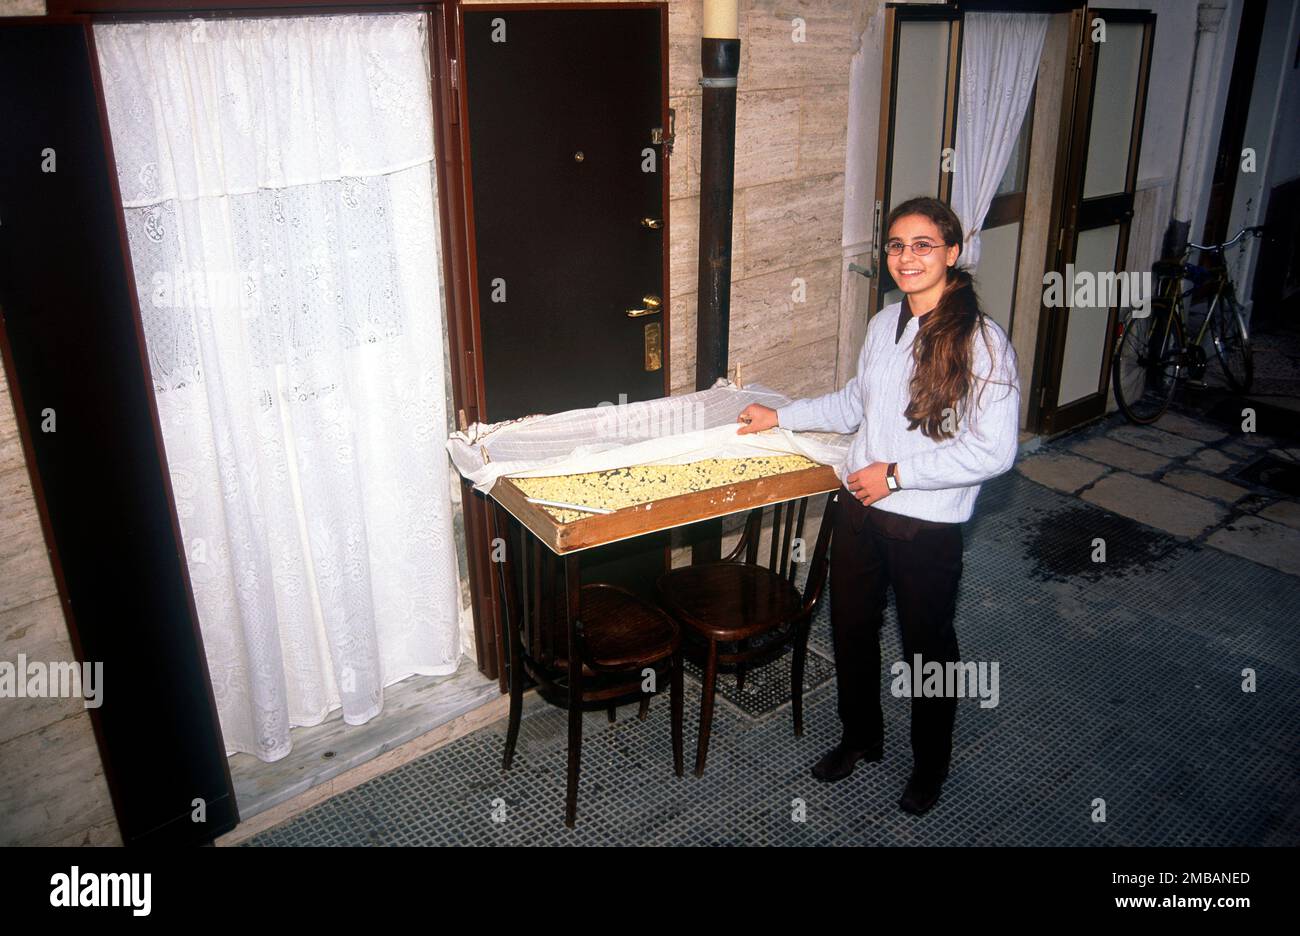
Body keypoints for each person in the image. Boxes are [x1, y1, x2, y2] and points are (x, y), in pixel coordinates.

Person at [737, 196, 1020, 815]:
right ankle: (862, 736)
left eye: (922, 244)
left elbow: (995, 451)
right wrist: (779, 415)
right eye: (896, 245)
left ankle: (929, 764)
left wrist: (895, 474)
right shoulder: (883, 324)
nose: (906, 257)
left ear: (951, 252)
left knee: (927, 648)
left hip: (926, 525)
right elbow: (853, 404)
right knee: (852, 630)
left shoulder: (983, 342)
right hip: (859, 512)